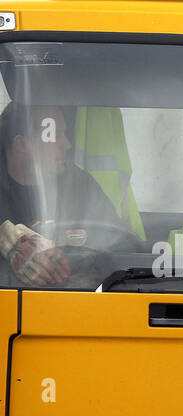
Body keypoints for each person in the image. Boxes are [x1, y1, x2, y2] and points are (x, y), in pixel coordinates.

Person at [0, 103, 131, 286]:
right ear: (22, 144)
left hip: (73, 303)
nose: (67, 145)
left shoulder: (80, 186)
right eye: (55, 135)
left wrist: (69, 264)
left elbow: (122, 248)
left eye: (65, 134)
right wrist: (9, 245)